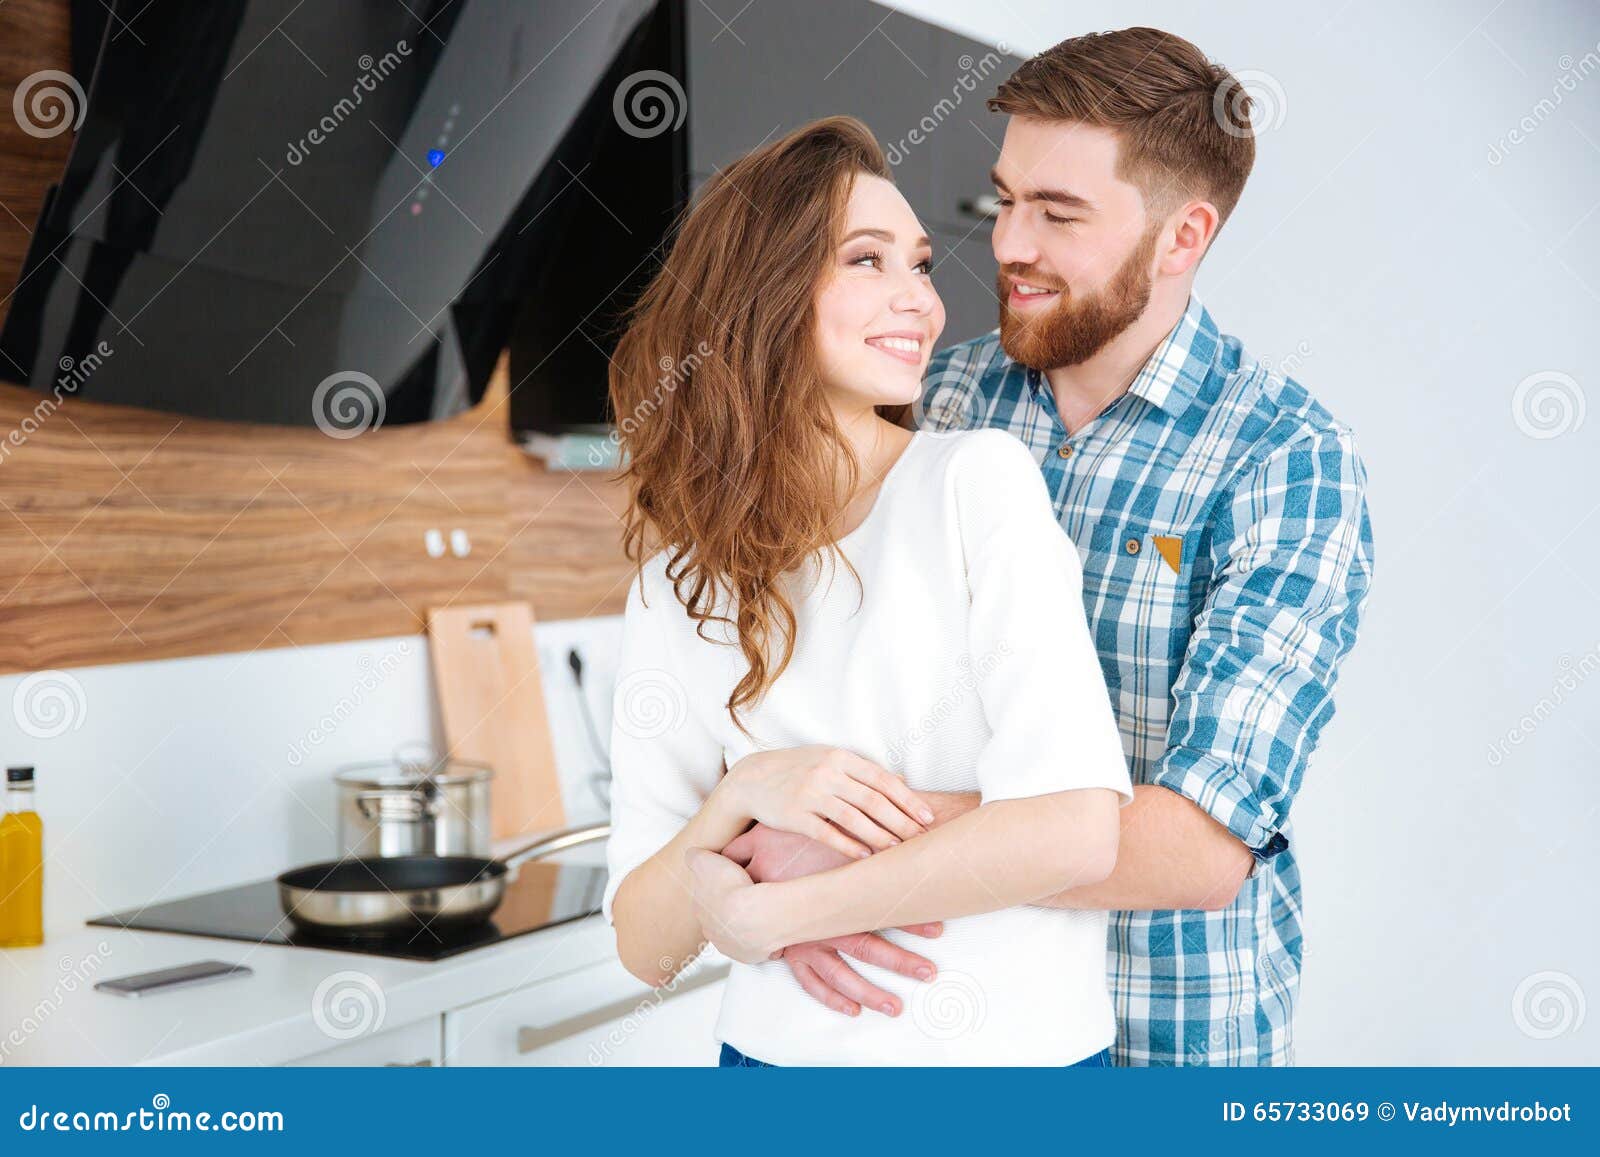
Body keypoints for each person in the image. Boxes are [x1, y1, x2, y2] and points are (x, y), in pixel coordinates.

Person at [734, 27, 1376, 1066]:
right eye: (1006, 199)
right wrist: (791, 865)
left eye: (1057, 213)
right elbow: (803, 661)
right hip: (950, 1027)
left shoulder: (1283, 461)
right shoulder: (930, 396)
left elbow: (1198, 845)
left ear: (1181, 238)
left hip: (1165, 1047)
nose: (1006, 243)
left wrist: (844, 847)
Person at [602, 115, 1134, 1067]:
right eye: (868, 260)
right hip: (772, 1071)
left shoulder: (975, 481)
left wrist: (775, 908)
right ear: (760, 295)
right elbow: (643, 943)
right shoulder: (675, 584)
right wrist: (745, 800)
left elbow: (1074, 829)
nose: (921, 303)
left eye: (921, 265)